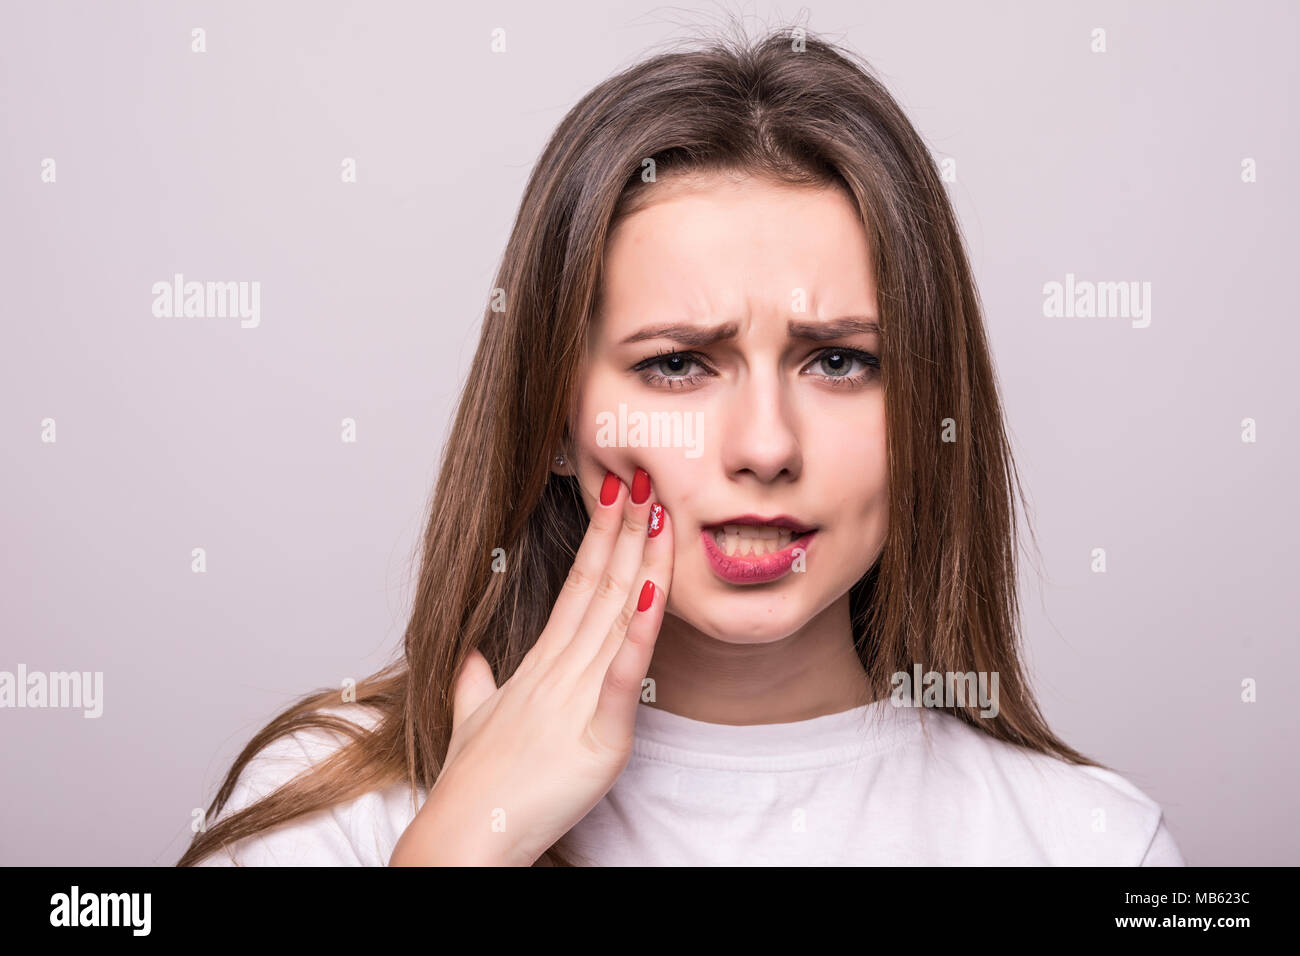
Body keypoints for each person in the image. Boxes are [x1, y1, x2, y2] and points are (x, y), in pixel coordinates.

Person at [180, 26, 1184, 867]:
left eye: (839, 361)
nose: (765, 447)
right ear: (555, 419)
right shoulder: (333, 813)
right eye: (677, 365)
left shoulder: (1093, 844)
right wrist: (461, 846)